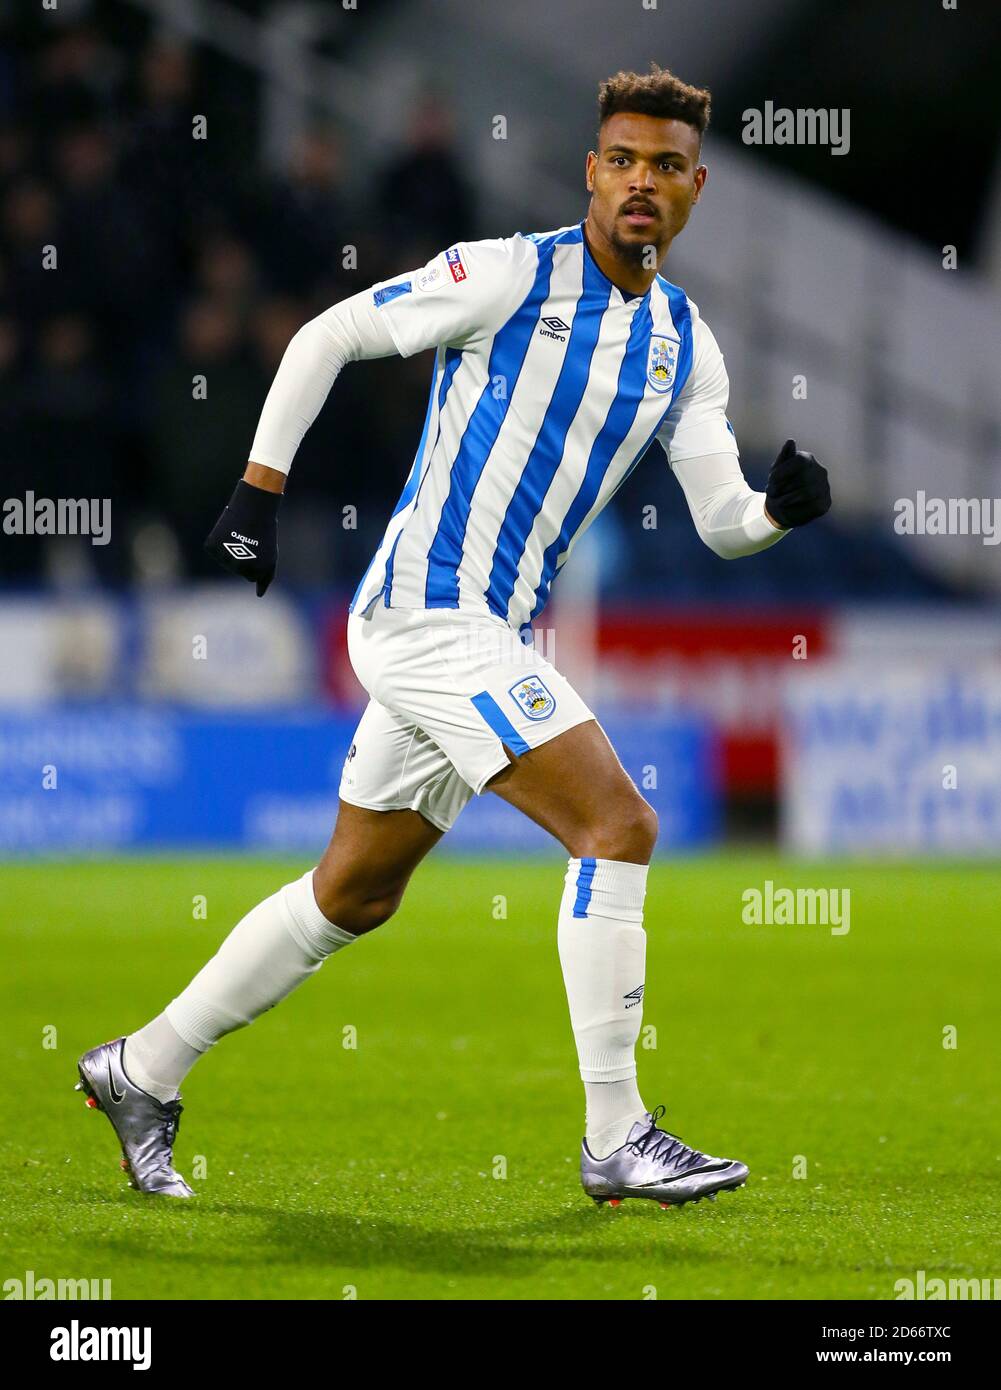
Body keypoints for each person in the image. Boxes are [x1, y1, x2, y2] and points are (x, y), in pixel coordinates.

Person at [77, 64, 830, 1207]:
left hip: (479, 632)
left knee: (352, 893)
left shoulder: (681, 342)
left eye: (665, 168)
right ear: (591, 171)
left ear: (694, 188)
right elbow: (330, 334)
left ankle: (141, 1067)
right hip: (428, 614)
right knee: (615, 824)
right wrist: (257, 492)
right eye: (621, 160)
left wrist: (777, 511)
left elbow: (721, 520)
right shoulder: (508, 273)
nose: (640, 183)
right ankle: (616, 1135)